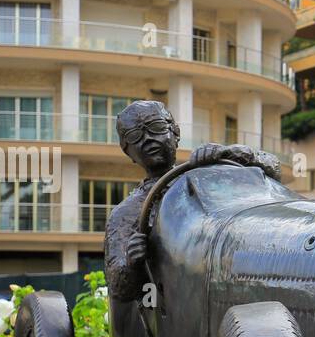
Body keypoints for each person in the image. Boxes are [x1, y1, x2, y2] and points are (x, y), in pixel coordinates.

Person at [105, 100, 280, 302]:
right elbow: (118, 287)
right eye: (136, 135)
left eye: (156, 127)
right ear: (128, 153)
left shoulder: (211, 177)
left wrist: (227, 152)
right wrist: (131, 262)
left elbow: (273, 168)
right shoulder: (126, 213)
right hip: (175, 309)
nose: (148, 139)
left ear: (176, 133)